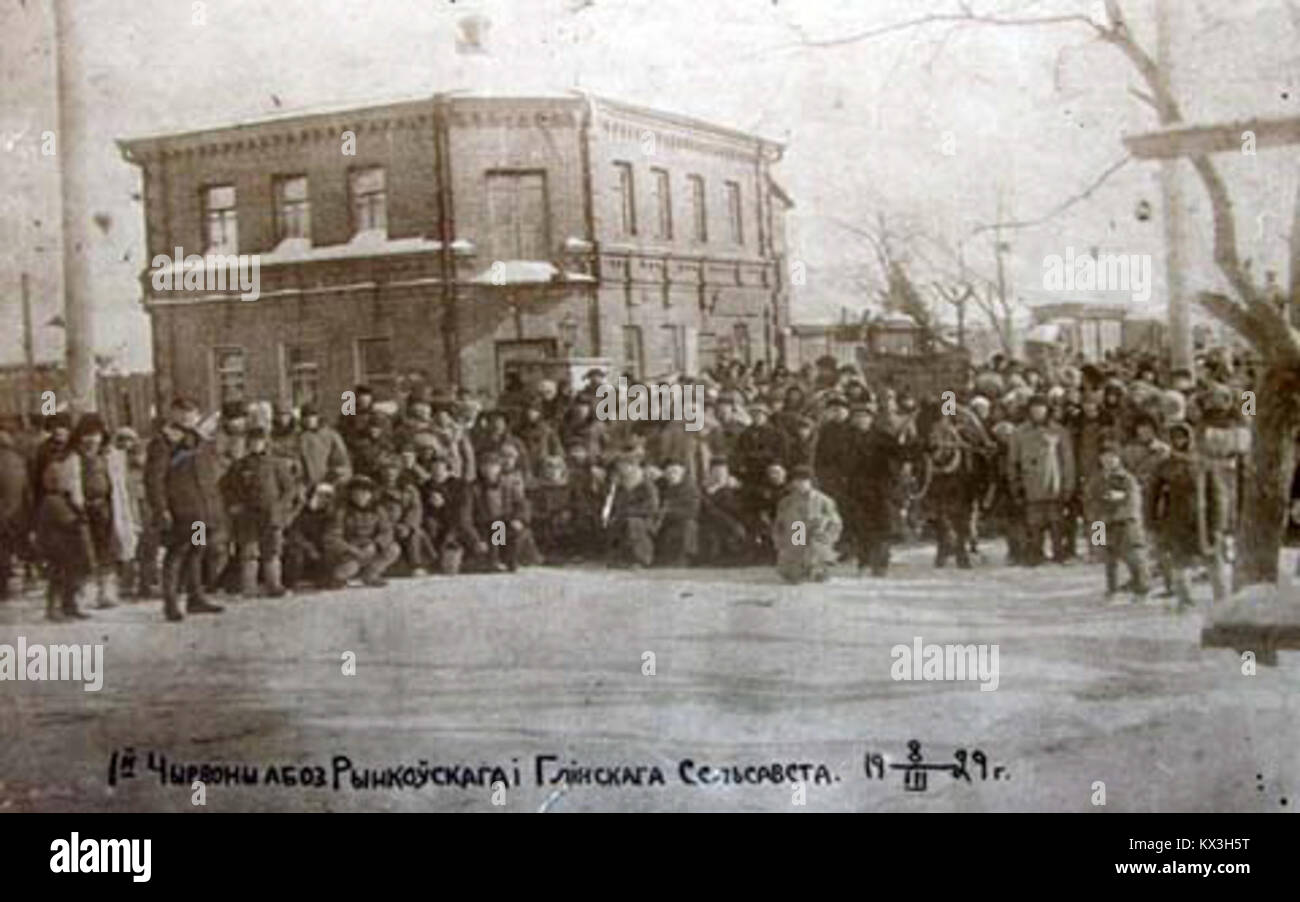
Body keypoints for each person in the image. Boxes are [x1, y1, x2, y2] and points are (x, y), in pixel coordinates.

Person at [146, 397, 227, 622]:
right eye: (182, 413)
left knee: (197, 550)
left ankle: (195, 598)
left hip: (201, 511)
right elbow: (154, 480)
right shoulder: (162, 443)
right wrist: (161, 509)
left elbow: (209, 474)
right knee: (177, 553)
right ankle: (170, 603)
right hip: (179, 510)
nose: (188, 418)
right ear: (173, 414)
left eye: (191, 413)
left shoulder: (199, 440)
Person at [221, 426, 297, 597]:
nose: (256, 445)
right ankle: (249, 587)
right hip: (248, 516)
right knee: (249, 552)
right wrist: (234, 504)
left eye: (260, 441)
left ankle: (275, 585)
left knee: (272, 551)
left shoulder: (277, 464)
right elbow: (227, 487)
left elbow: (290, 489)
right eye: (253, 442)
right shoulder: (240, 465)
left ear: (266, 443)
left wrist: (280, 507)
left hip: (271, 515)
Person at [1006, 394, 1075, 566]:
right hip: (1031, 486)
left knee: (1056, 522)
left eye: (1041, 408)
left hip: (1054, 484)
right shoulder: (1019, 433)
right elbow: (1013, 461)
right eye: (1034, 409)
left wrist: (1068, 485)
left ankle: (1059, 553)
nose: (1037, 412)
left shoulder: (1059, 431)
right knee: (1034, 524)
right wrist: (1015, 485)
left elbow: (1068, 461)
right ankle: (1035, 554)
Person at [35, 438, 94, 621]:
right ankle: (53, 609)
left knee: (71, 574)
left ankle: (70, 605)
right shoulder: (53, 499)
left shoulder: (64, 492)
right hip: (56, 545)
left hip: (67, 544)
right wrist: (80, 517)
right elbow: (68, 520)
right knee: (58, 576)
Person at [1089, 441, 1150, 603]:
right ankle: (1111, 590)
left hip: (1125, 523)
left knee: (1133, 557)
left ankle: (1141, 590)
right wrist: (1096, 532)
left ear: (1119, 458)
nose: (1109, 460)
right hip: (1102, 523)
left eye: (1113, 457)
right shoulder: (1096, 480)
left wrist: (1118, 508)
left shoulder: (1127, 479)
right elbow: (1091, 503)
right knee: (1108, 559)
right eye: (1105, 457)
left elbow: (1133, 502)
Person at [324, 475, 399, 588]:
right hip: (349, 551)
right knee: (349, 569)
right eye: (357, 492)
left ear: (370, 494)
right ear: (351, 494)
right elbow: (332, 537)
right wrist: (351, 550)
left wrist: (376, 545)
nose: (361, 496)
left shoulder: (377, 509)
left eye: (365, 492)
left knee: (394, 549)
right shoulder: (342, 511)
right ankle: (338, 578)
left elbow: (387, 531)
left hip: (370, 548)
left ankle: (371, 574)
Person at [772, 464, 842, 584]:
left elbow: (835, 523)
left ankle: (818, 567)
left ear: (810, 482)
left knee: (817, 569)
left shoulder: (824, 501)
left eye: (803, 481)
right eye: (797, 481)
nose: (800, 484)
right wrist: (780, 543)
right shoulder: (786, 502)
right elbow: (779, 526)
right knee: (797, 528)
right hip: (795, 540)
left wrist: (826, 536)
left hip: (818, 542)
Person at [605, 455, 659, 568]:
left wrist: (628, 512)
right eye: (620, 467)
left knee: (633, 524)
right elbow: (615, 505)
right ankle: (618, 559)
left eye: (625, 466)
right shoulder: (620, 487)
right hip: (624, 517)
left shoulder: (647, 486)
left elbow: (652, 507)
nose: (622, 470)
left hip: (645, 519)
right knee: (616, 524)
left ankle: (640, 559)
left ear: (633, 467)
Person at [654, 459, 700, 566]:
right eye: (669, 472)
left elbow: (693, 510)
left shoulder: (690, 488)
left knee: (688, 525)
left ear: (682, 472)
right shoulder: (660, 486)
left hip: (681, 521)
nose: (672, 475)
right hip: (662, 522)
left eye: (675, 472)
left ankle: (683, 559)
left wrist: (668, 512)